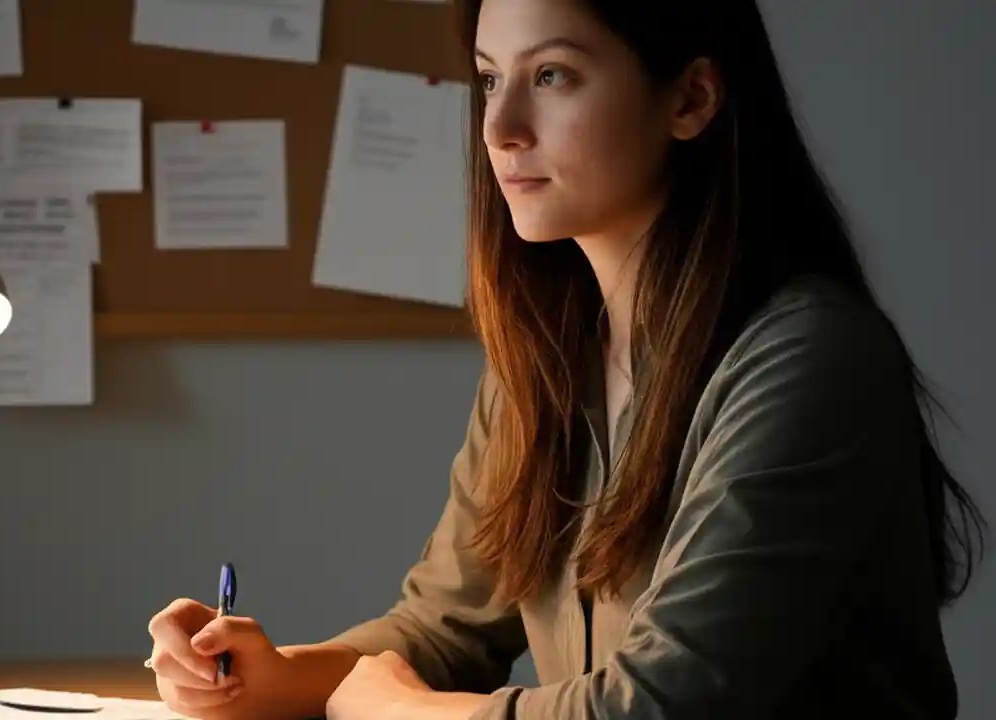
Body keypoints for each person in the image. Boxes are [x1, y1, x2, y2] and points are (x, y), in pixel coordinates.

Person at [145, 0, 987, 718]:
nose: (502, 129)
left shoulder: (807, 358)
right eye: (487, 78)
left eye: (552, 76)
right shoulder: (548, 360)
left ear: (690, 98)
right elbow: (444, 628)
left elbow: (664, 704)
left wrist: (407, 712)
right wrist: (273, 676)